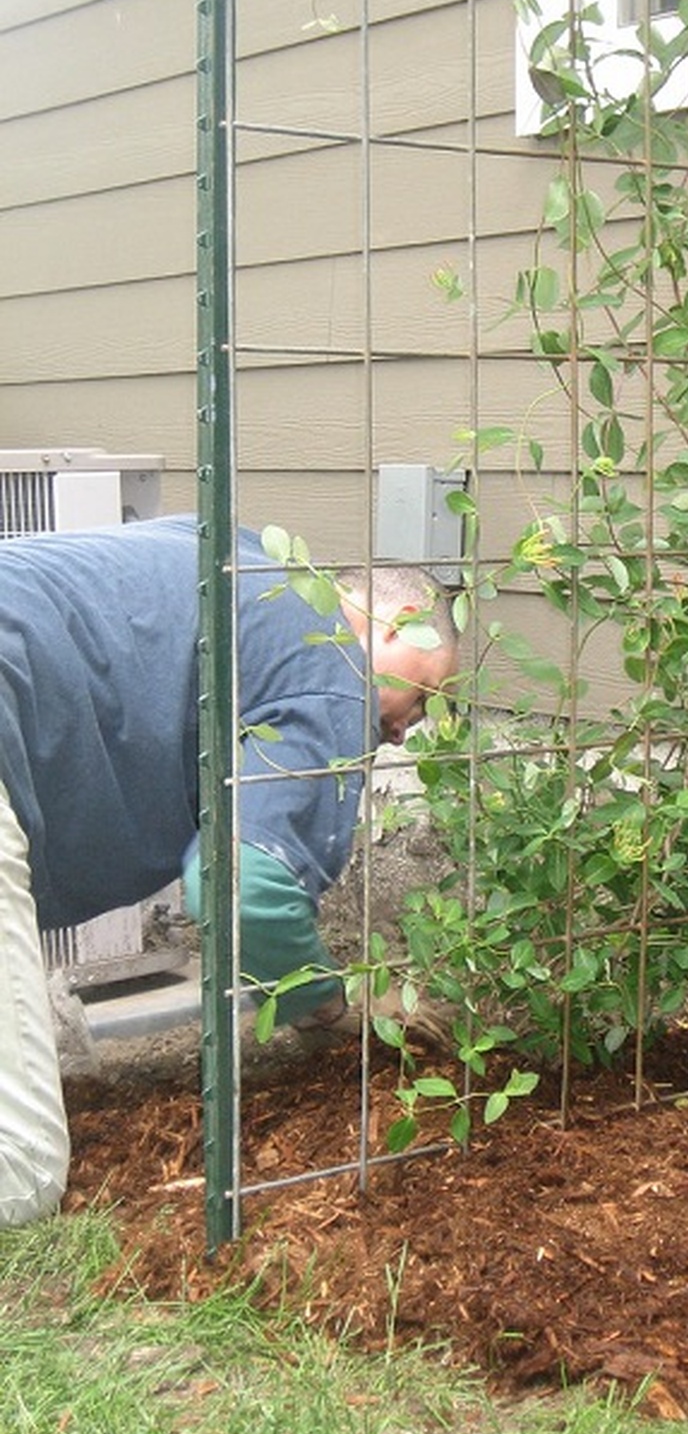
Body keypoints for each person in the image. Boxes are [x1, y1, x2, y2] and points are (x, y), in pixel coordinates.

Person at [0, 515, 458, 1228]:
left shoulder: (242, 561)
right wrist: (331, 1011)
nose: (403, 730)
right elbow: (243, 888)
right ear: (396, 623)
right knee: (19, 1170)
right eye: (423, 698)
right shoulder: (333, 662)